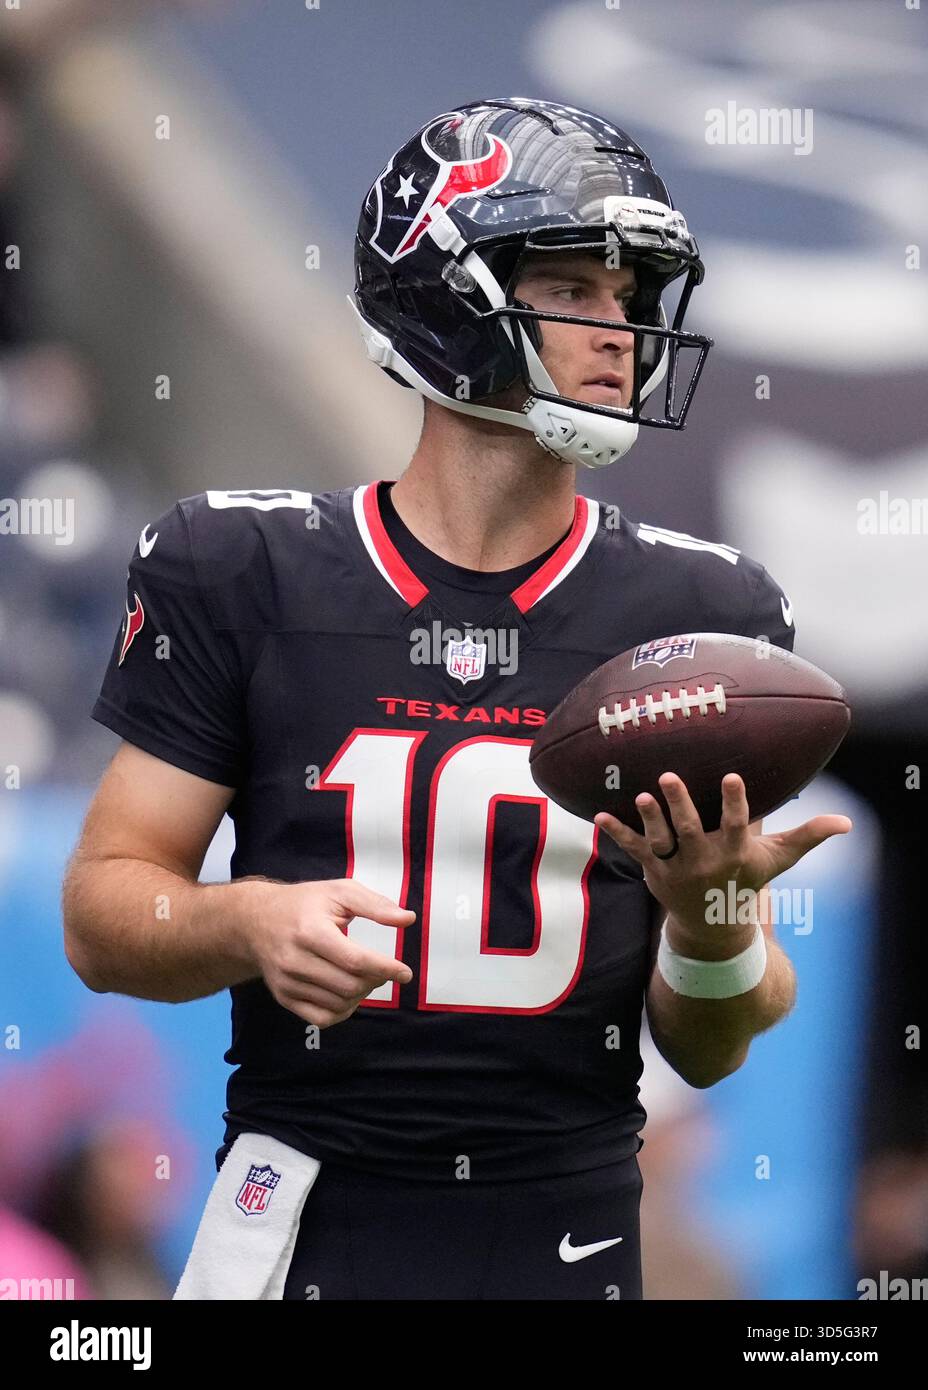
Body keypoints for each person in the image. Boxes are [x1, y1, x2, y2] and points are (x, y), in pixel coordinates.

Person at [62, 97, 850, 1301]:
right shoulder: (240, 567)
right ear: (446, 295)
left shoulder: (704, 610)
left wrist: (711, 913)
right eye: (575, 290)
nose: (620, 333)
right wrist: (249, 924)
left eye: (632, 299)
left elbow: (709, 1041)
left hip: (570, 1231)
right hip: (301, 1221)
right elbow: (102, 916)